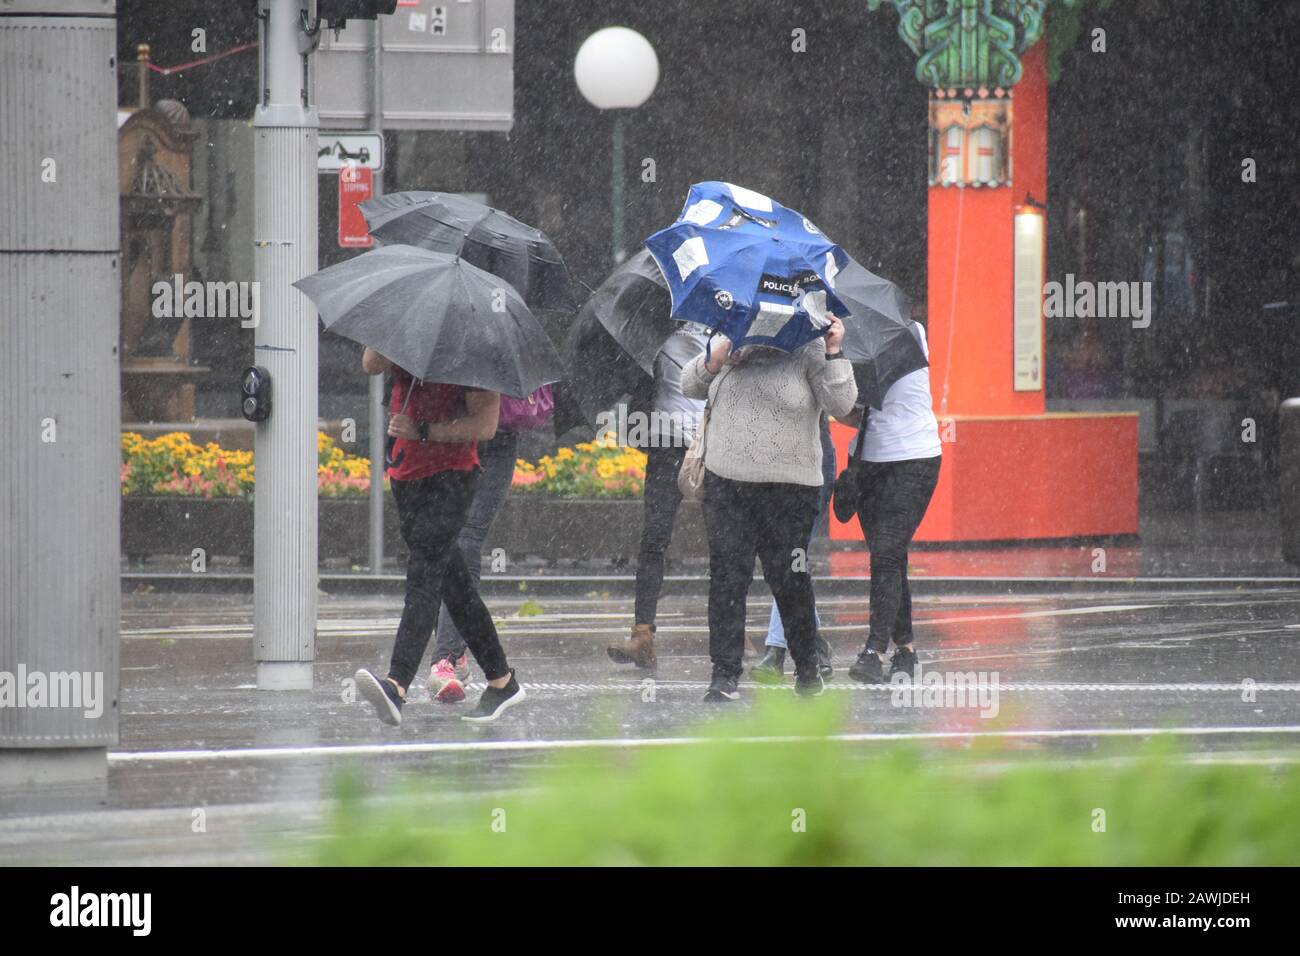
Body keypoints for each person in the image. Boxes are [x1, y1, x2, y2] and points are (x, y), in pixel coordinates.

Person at [681, 318, 857, 701]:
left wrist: (834, 351)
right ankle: (724, 674)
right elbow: (690, 385)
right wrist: (716, 360)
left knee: (791, 579)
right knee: (727, 578)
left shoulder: (810, 341)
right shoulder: (732, 331)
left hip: (790, 488)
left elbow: (842, 404)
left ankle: (807, 668)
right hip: (727, 481)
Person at [354, 347, 525, 724]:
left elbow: (485, 426)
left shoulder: (477, 347)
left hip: (451, 476)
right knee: (456, 587)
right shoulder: (413, 329)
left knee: (424, 578)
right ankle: (502, 681)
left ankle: (395, 686)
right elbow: (371, 365)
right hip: (406, 472)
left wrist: (425, 431)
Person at [837, 321, 942, 683]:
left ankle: (874, 649)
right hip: (867, 463)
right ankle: (907, 650)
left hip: (914, 459)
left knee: (885, 553)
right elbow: (851, 412)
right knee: (891, 556)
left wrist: (840, 359)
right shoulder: (845, 344)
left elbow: (876, 385)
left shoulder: (909, 334)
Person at [607, 322, 709, 669]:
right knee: (653, 539)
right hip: (667, 442)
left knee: (729, 542)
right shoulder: (656, 331)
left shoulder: (731, 328)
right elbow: (634, 379)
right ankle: (642, 635)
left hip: (713, 442)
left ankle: (733, 630)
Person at [424, 423, 520, 702]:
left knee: (467, 540)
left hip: (497, 438)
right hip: (446, 436)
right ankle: (456, 645)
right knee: (443, 542)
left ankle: (445, 660)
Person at [749, 419, 837, 682]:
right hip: (768, 461)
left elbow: (840, 404)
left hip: (809, 461)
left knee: (790, 560)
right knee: (785, 561)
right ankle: (814, 643)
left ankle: (776, 651)